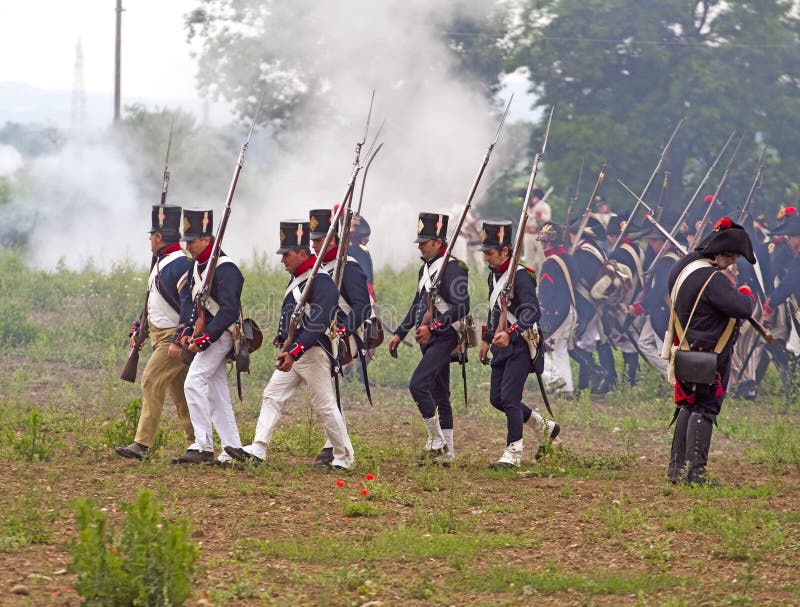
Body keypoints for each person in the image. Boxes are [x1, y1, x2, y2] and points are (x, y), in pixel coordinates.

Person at [226, 220, 355, 470]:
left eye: (287, 255)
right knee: (272, 395)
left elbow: (317, 322)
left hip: (313, 352)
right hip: (295, 353)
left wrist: (294, 351)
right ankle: (259, 448)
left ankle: (344, 457)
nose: (283, 260)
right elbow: (294, 314)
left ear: (303, 254)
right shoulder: (298, 279)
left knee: (325, 405)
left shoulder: (322, 281)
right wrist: (282, 335)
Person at [666, 217, 756, 485]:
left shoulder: (684, 268)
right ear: (721, 253)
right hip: (708, 353)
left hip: (687, 348)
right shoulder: (711, 278)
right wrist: (745, 292)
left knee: (687, 405)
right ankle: (694, 473)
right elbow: (742, 307)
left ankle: (677, 469)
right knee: (705, 407)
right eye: (732, 257)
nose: (733, 263)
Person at [388, 212, 469, 465]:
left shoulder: (453, 268)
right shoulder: (426, 268)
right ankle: (449, 453)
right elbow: (417, 305)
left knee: (418, 384)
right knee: (440, 392)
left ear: (438, 242)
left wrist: (432, 327)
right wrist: (400, 333)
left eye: (424, 242)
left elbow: (462, 306)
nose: (420, 246)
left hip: (446, 336)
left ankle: (436, 440)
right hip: (430, 337)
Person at [116, 204, 195, 460]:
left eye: (151, 235)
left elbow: (188, 305)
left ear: (159, 237)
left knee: (150, 380)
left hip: (173, 338)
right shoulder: (161, 263)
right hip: (160, 335)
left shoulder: (180, 263)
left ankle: (143, 444)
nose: (149, 239)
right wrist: (139, 329)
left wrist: (177, 339)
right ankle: (197, 444)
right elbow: (152, 302)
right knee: (181, 393)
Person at [478, 219, 559, 468]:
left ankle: (513, 454)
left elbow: (532, 312)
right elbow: (495, 310)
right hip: (502, 345)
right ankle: (544, 427)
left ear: (505, 251)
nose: (486, 258)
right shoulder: (495, 276)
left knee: (510, 399)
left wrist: (511, 333)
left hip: (521, 344)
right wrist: (485, 339)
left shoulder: (522, 276)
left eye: (490, 253)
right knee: (497, 399)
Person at [170, 209, 245, 465]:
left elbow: (228, 311)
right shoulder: (198, 268)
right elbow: (194, 305)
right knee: (217, 393)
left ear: (206, 240)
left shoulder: (227, 269)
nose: (187, 246)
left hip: (221, 335)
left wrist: (206, 338)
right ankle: (232, 448)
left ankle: (203, 445)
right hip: (208, 336)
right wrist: (188, 332)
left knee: (192, 383)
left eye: (191, 241)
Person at [308, 208, 371, 466]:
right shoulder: (318, 268)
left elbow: (362, 306)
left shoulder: (350, 266)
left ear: (333, 239)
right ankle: (332, 443)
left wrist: (343, 331)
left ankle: (335, 446)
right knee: (326, 387)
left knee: (327, 385)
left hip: (349, 334)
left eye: (319, 240)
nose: (314, 245)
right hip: (324, 333)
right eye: (312, 240)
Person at [568, 216, 611, 393]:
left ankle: (598, 373)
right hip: (595, 303)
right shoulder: (594, 249)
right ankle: (585, 385)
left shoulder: (583, 253)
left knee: (575, 343)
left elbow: (577, 278)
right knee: (587, 343)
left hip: (587, 303)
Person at [536, 221, 577, 399]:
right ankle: (567, 390)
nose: (544, 246)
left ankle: (554, 380)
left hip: (555, 314)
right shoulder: (568, 258)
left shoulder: (550, 263)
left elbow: (546, 292)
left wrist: (543, 311)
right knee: (560, 350)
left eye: (545, 243)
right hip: (568, 311)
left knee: (534, 343)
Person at [522, 188, 551, 270]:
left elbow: (547, 219)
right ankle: (530, 277)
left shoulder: (544, 206)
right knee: (529, 257)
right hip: (528, 234)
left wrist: (540, 216)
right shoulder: (527, 207)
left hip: (540, 233)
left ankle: (543, 275)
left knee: (542, 257)